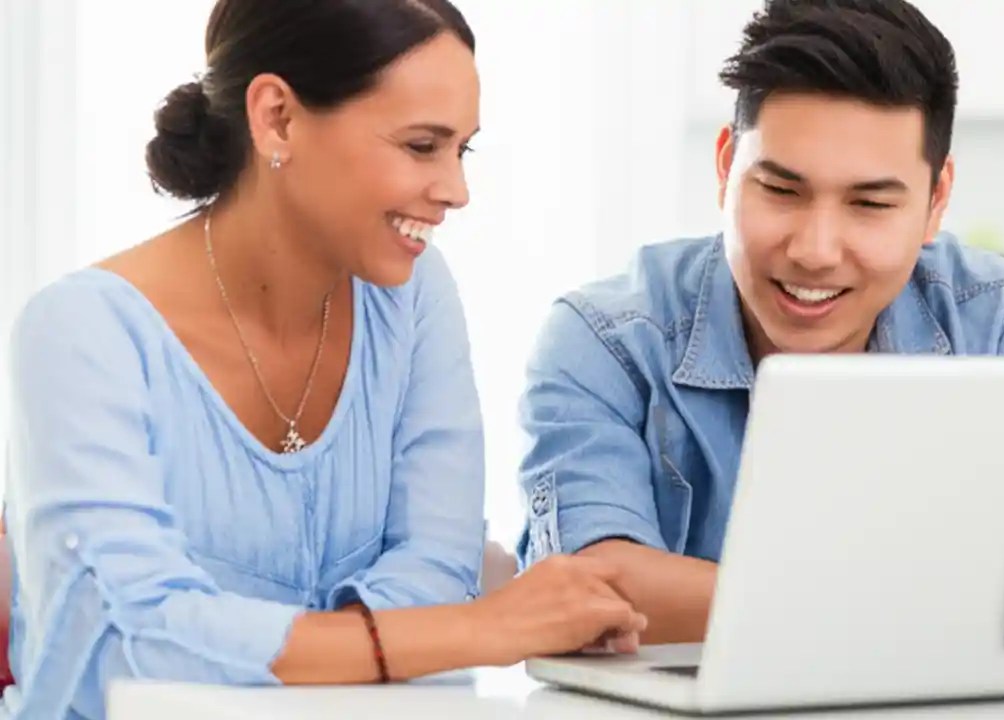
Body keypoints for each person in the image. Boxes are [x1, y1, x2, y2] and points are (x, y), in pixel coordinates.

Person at [3, 2, 644, 718]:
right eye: (421, 146)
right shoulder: (81, 332)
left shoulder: (411, 296)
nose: (456, 191)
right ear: (277, 118)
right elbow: (130, 645)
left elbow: (435, 569)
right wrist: (479, 629)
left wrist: (438, 629)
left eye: (461, 150)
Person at [516, 0, 1004, 645]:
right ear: (727, 169)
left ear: (936, 201)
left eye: (869, 204)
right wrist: (913, 605)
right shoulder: (605, 340)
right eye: (782, 192)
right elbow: (591, 588)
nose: (815, 251)